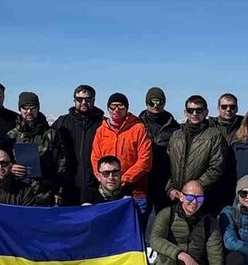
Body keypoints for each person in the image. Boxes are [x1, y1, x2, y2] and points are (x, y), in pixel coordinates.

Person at [90, 92, 152, 207]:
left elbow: (145, 160)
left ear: (127, 108)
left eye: (121, 106)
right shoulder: (102, 130)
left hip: (134, 191)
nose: (116, 110)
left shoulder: (138, 128)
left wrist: (123, 179)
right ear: (108, 109)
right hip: (107, 192)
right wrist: (100, 175)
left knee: (135, 224)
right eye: (112, 107)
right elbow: (95, 157)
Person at [165, 95, 226, 210]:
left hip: (201, 198)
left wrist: (193, 191)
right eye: (190, 110)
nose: (194, 114)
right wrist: (170, 189)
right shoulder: (176, 135)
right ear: (185, 112)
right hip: (178, 198)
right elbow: (168, 167)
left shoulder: (214, 135)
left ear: (206, 112)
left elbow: (216, 168)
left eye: (199, 110)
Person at [8, 91, 69, 204]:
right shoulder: (12, 135)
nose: (29, 112)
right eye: (25, 108)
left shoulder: (51, 134)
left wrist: (59, 191)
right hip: (18, 193)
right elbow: (2, 161)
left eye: (33, 108)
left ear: (38, 108)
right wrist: (11, 167)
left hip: (44, 193)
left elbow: (61, 165)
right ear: (20, 110)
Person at [54, 84, 105, 205]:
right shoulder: (62, 122)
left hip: (95, 185)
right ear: (74, 100)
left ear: (93, 100)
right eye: (79, 99)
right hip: (68, 185)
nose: (83, 102)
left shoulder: (102, 124)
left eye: (88, 100)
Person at [139, 87, 180, 217]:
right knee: (140, 220)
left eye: (159, 102)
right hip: (143, 181)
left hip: (165, 180)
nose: (155, 106)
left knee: (164, 221)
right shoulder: (138, 125)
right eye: (152, 102)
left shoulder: (174, 127)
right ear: (146, 103)